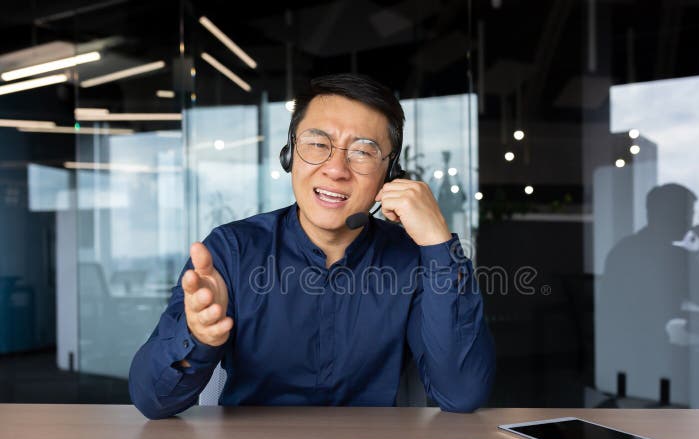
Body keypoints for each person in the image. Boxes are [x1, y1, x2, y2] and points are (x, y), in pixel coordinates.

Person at [129, 73, 495, 419]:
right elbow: (151, 400)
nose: (336, 168)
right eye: (318, 144)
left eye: (363, 152)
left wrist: (437, 243)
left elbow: (461, 394)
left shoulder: (413, 258)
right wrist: (197, 336)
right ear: (289, 154)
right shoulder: (231, 251)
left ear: (390, 174)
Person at [596, 183, 699, 404]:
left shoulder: (624, 248)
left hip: (619, 354)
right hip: (650, 358)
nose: (690, 222)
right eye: (688, 214)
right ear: (672, 215)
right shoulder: (670, 256)